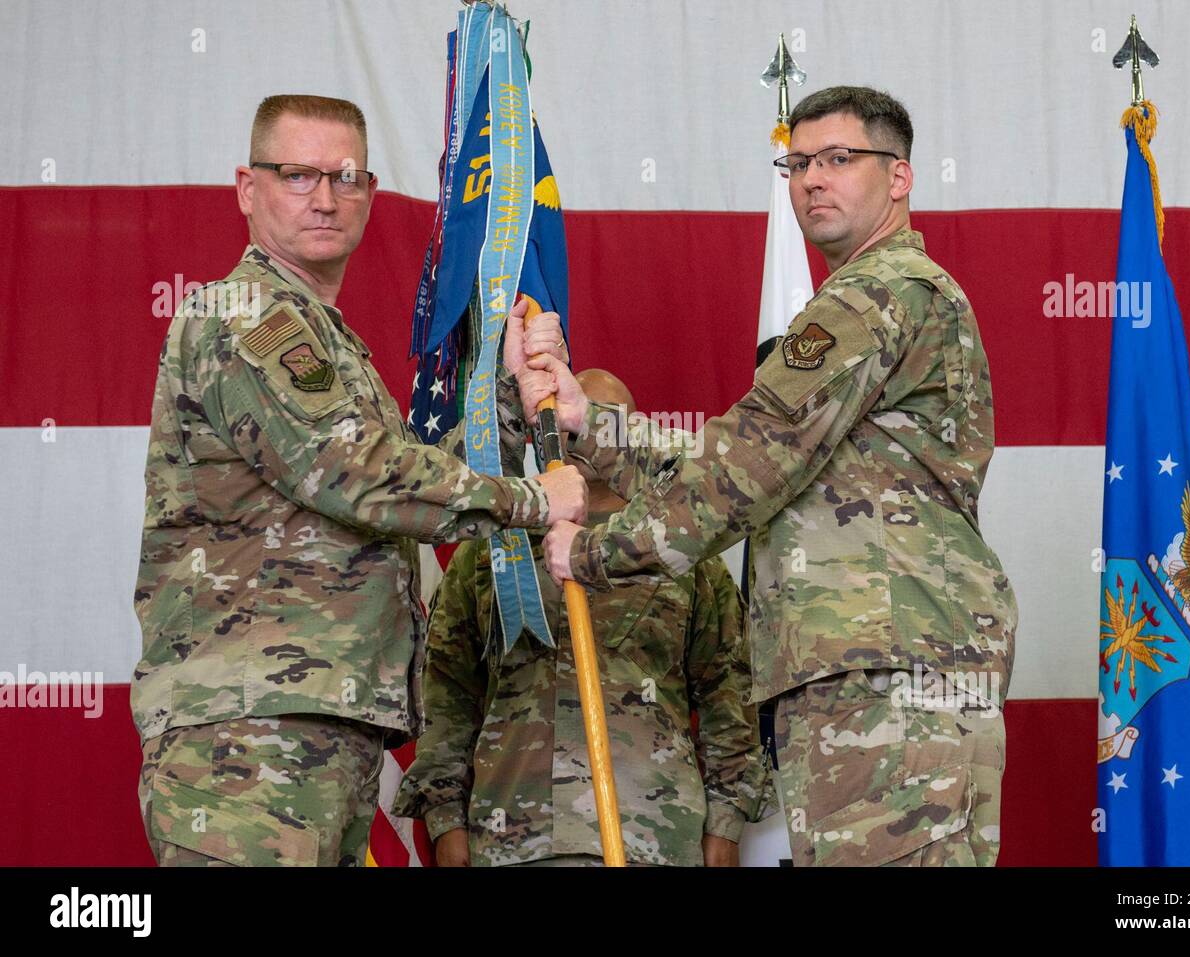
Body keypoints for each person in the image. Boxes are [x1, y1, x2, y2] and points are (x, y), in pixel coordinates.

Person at [526, 86, 1017, 867]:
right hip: (881, 670)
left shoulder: (876, 293)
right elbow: (750, 462)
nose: (811, 179)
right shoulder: (880, 297)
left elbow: (745, 465)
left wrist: (589, 553)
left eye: (838, 159)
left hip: (885, 678)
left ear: (900, 178)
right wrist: (592, 426)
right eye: (797, 164)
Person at [132, 93, 583, 866]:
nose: (324, 196)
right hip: (250, 734)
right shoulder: (247, 315)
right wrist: (535, 502)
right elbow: (352, 469)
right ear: (248, 188)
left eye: (345, 176)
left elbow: (402, 466)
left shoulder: (328, 340)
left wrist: (511, 390)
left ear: (370, 194)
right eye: (297, 174)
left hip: (317, 719)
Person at [393, 370, 773, 867]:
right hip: (513, 835)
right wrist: (445, 821)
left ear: (634, 434)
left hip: (653, 835)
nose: (577, 433)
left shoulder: (684, 556)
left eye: (603, 421)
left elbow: (730, 701)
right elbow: (445, 694)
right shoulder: (491, 553)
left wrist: (724, 828)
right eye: (563, 421)